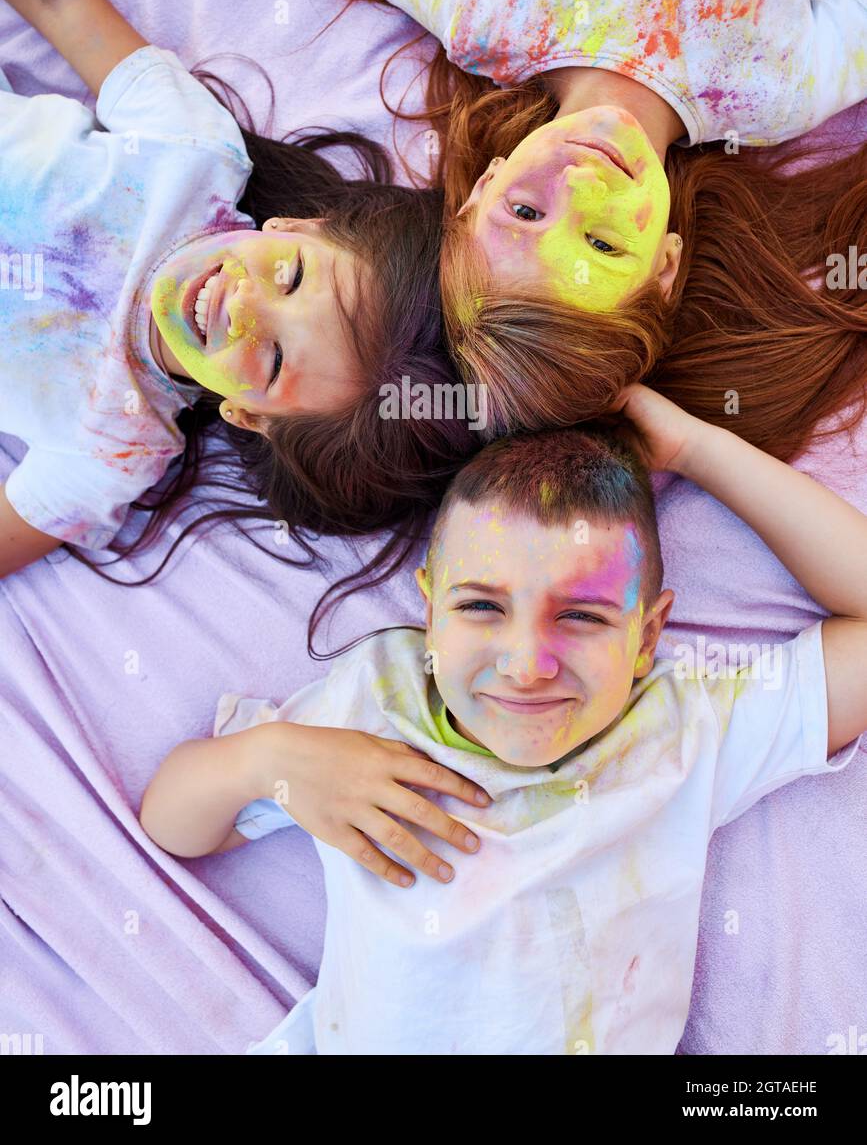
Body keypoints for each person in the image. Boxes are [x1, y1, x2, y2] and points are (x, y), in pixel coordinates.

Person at [43, 0, 867, 449]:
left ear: (479, 188)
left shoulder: (490, 18)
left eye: (525, 214)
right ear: (664, 266)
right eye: (604, 243)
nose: (578, 189)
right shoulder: (771, 94)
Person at [139, 387, 866, 1054]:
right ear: (428, 611)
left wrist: (696, 450)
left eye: (580, 615)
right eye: (481, 607)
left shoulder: (683, 735)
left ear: (645, 637)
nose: (525, 664)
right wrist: (266, 761)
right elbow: (174, 825)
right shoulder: (372, 705)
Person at [0, 0, 478, 580]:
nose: (246, 308)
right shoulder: (194, 157)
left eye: (276, 359)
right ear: (297, 227)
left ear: (252, 417)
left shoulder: (113, 444)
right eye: (291, 278)